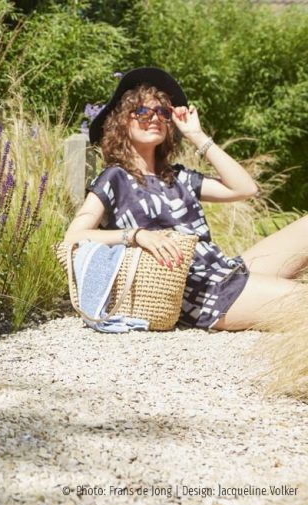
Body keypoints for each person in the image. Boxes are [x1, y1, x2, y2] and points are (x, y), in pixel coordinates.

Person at [64, 67, 307, 331]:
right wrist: (135, 235)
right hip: (197, 291)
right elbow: (73, 237)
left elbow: (245, 188)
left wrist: (196, 135)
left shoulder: (178, 177)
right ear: (122, 122)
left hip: (221, 269)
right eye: (143, 111)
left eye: (163, 112)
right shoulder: (114, 179)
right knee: (301, 300)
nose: (154, 117)